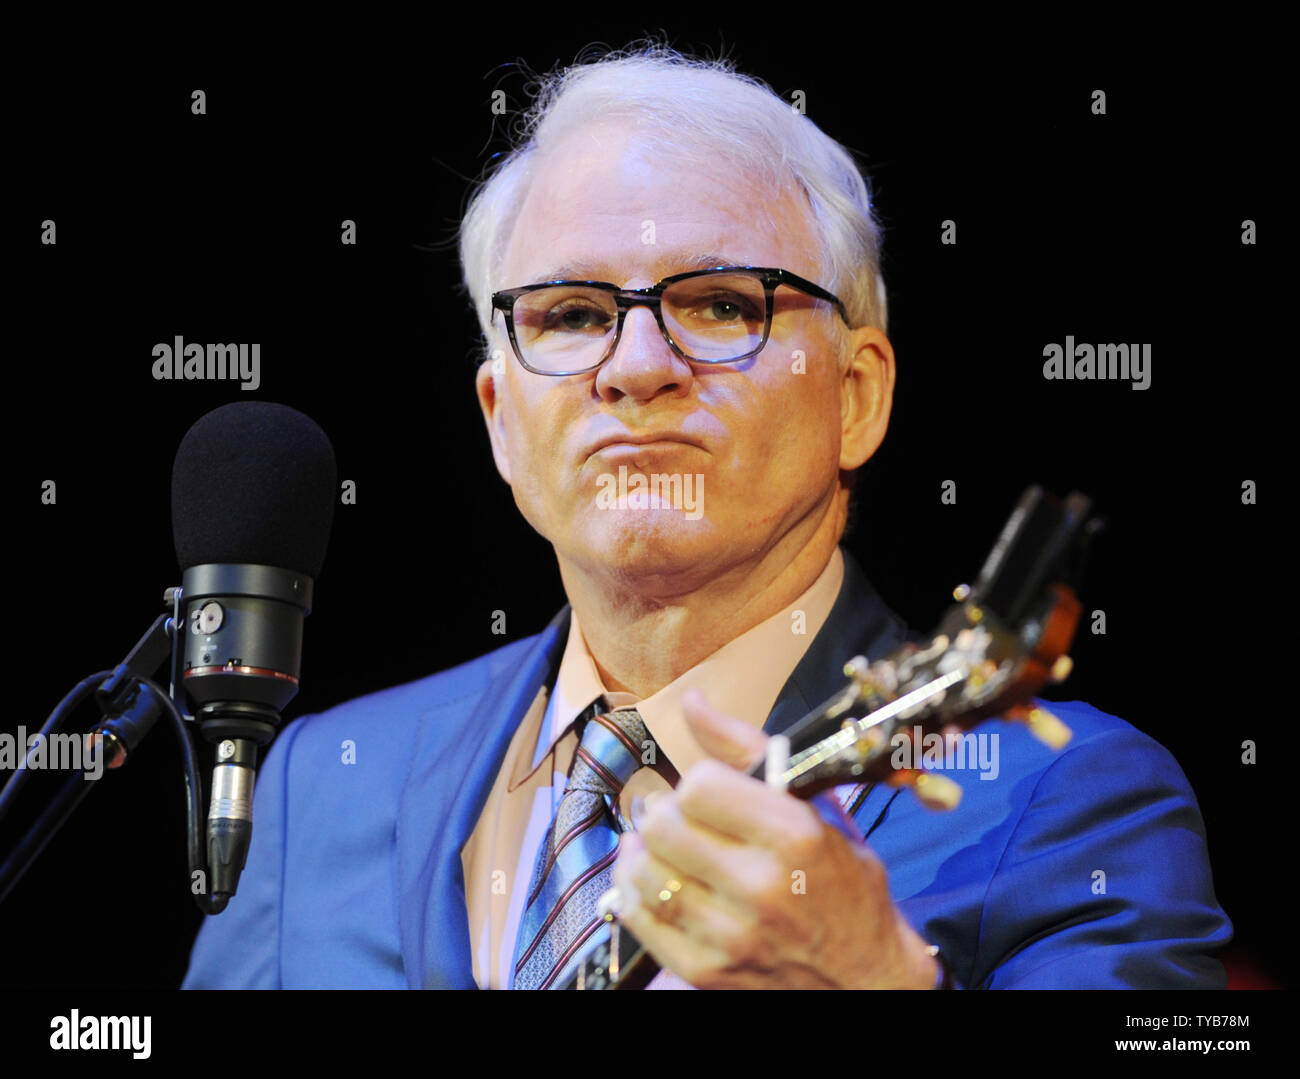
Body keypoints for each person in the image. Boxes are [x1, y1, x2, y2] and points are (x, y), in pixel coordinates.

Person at [183, 45, 1231, 990]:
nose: (637, 367)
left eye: (723, 304)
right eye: (573, 314)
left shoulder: (1073, 797)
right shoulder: (317, 783)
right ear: (501, 419)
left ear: (855, 395)